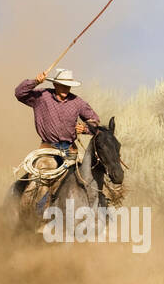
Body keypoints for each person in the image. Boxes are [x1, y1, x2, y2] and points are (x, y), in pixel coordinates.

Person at [14, 68, 100, 216]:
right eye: (63, 85)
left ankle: (95, 213)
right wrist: (35, 82)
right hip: (48, 149)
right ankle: (37, 215)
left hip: (70, 151)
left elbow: (95, 122)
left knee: (88, 179)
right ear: (55, 85)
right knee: (41, 181)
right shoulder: (41, 97)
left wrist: (85, 129)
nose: (66, 88)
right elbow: (19, 93)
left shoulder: (77, 102)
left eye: (68, 85)